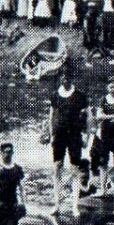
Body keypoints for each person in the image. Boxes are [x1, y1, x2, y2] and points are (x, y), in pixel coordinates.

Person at [47, 73, 88, 216]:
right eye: (63, 78)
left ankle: (75, 206)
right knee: (57, 167)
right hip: (59, 135)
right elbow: (51, 116)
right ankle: (57, 204)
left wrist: (86, 135)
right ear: (60, 79)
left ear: (72, 78)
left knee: (75, 169)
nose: (65, 79)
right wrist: (51, 134)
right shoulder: (55, 95)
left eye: (68, 77)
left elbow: (85, 116)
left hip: (75, 135)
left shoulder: (79, 95)